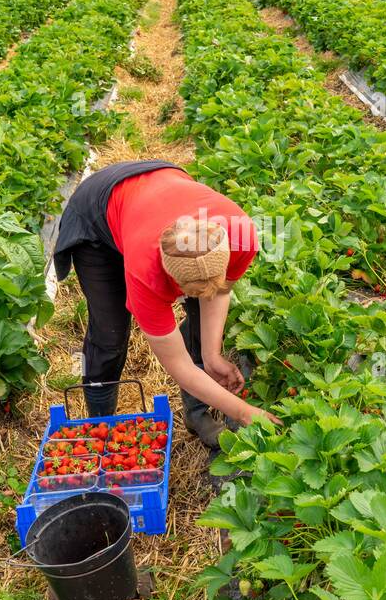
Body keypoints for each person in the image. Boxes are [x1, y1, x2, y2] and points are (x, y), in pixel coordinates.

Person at [53, 160, 277, 445]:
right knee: (109, 334)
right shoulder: (146, 271)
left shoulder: (240, 235)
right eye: (190, 290)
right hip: (97, 215)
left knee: (201, 312)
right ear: (169, 276)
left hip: (157, 183)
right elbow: (177, 363)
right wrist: (243, 412)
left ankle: (196, 413)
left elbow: (218, 293)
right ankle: (100, 425)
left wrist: (212, 355)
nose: (201, 293)